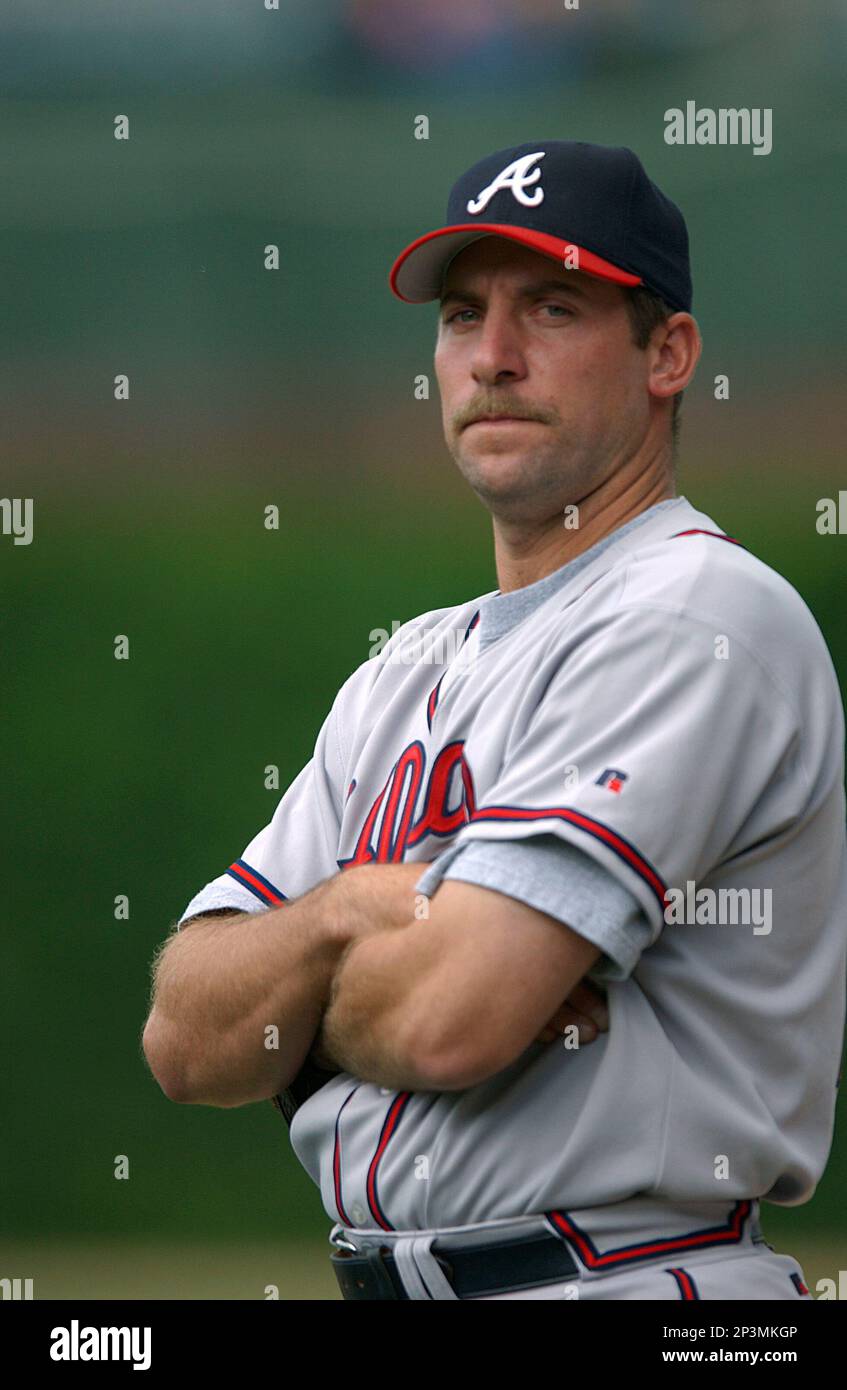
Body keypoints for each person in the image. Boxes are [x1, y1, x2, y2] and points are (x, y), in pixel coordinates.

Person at [143, 142, 846, 1300]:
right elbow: (186, 1037)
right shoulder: (404, 666)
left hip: (636, 1279)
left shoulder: (698, 612)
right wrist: (352, 913)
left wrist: (306, 996)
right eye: (463, 315)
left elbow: (450, 1019)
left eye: (553, 307)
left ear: (667, 353)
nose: (493, 357)